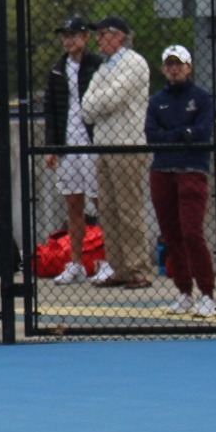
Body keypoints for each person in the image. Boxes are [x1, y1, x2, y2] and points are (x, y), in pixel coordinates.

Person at [79, 15, 153, 289]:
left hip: (126, 144)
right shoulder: (104, 67)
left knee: (128, 209)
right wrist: (99, 101)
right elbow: (87, 106)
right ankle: (119, 266)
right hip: (104, 144)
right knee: (108, 210)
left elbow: (113, 97)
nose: (98, 40)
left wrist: (99, 101)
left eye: (102, 35)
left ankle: (139, 268)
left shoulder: (134, 63)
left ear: (118, 36)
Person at [146, 45, 216, 317]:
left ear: (189, 67)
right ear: (164, 69)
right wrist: (182, 134)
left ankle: (207, 293)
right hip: (163, 169)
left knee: (191, 232)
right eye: (169, 64)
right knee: (171, 233)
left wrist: (176, 134)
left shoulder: (201, 98)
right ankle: (184, 291)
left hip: (191, 168)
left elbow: (201, 132)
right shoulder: (156, 101)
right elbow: (152, 135)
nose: (174, 69)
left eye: (179, 64)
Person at [43, 16, 103, 284]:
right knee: (73, 203)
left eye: (74, 35)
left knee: (100, 201)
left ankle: (107, 259)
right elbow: (52, 110)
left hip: (91, 141)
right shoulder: (57, 70)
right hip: (68, 142)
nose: (69, 40)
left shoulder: (96, 66)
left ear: (85, 37)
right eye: (65, 36)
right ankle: (76, 261)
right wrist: (52, 146)